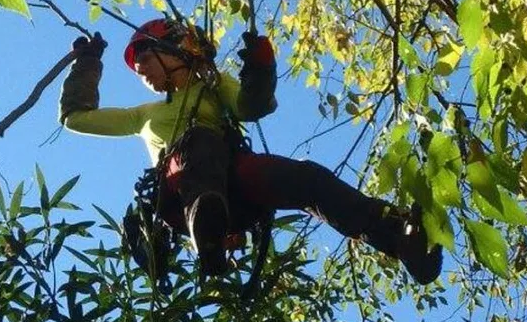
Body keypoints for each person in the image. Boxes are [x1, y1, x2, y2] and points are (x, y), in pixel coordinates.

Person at [59, 17, 442, 284]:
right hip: (179, 193)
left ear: (178, 50)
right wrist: (88, 64)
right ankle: (204, 226)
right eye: (136, 64)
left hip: (233, 184)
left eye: (145, 57)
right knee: (199, 141)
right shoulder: (144, 115)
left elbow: (252, 106)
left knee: (305, 178)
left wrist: (260, 66)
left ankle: (401, 240)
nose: (140, 69)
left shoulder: (214, 85)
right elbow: (77, 118)